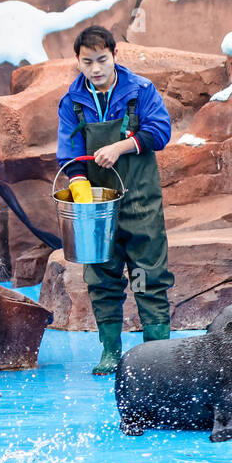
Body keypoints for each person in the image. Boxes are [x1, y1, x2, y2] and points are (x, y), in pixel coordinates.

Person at [57, 25, 174, 375]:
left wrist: (122, 146)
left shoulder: (140, 91)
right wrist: (81, 193)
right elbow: (70, 155)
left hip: (140, 202)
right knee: (101, 277)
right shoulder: (72, 102)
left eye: (102, 60)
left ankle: (157, 352)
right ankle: (110, 350)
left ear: (115, 56)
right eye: (87, 61)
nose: (95, 68)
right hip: (97, 206)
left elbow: (160, 131)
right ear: (78, 61)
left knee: (149, 274)